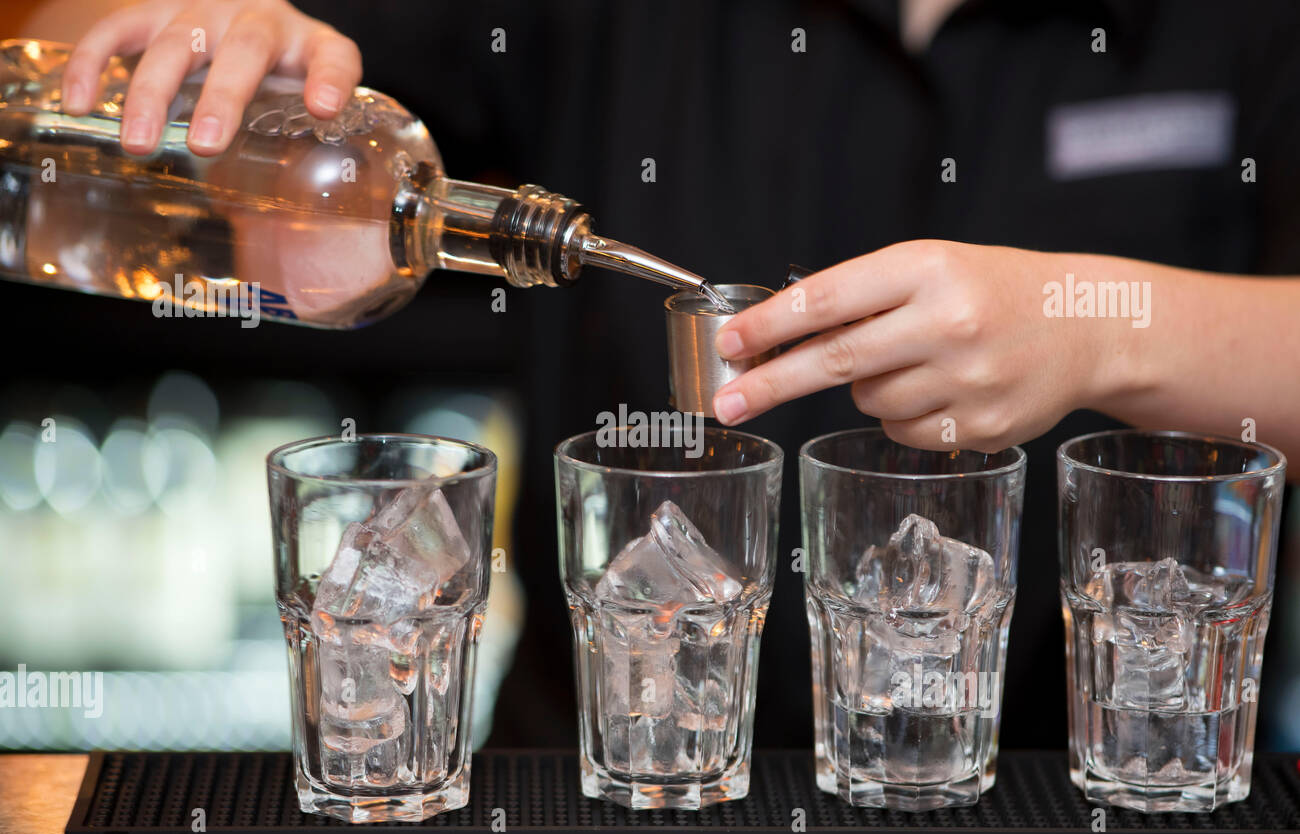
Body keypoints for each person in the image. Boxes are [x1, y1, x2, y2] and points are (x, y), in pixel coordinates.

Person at [8, 0, 1300, 750]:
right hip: (596, 789)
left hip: (1100, 809)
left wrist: (1107, 324)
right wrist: (170, 40)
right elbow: (81, 51)